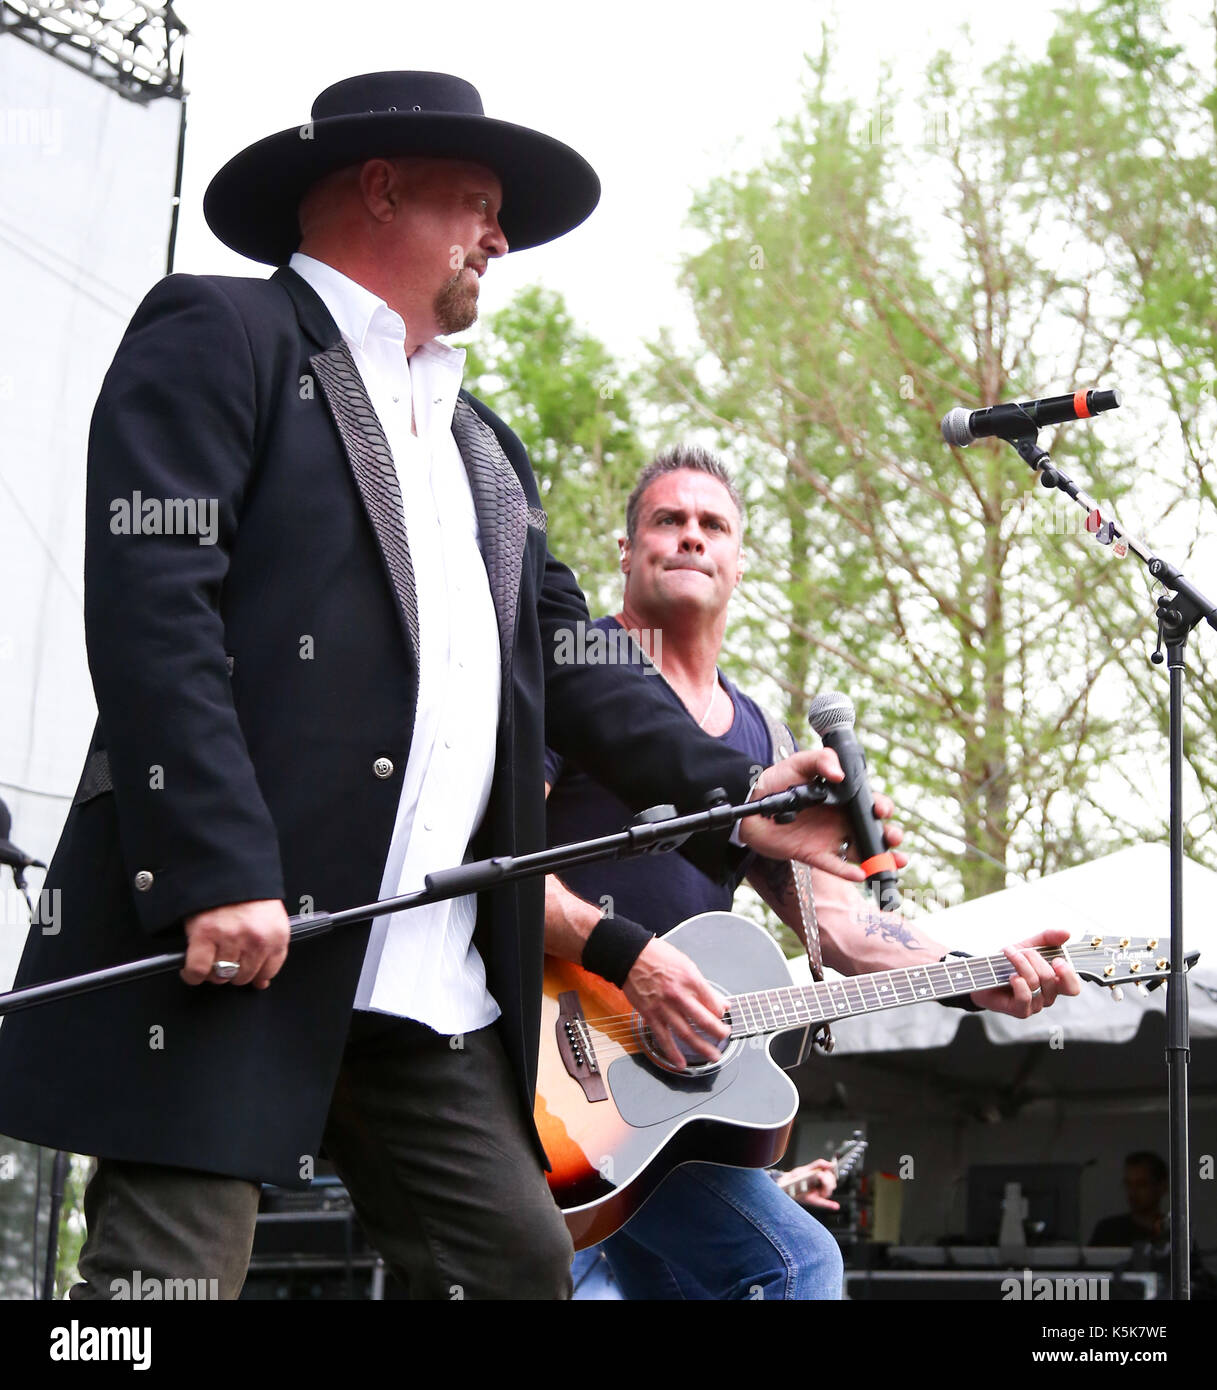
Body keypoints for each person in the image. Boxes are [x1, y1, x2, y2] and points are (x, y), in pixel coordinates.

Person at [0, 72, 908, 1302]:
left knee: (518, 1267)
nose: (500, 237)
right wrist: (218, 867)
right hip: (245, 941)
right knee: (159, 1287)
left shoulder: (486, 447)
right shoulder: (224, 332)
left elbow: (573, 658)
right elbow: (154, 605)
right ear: (380, 187)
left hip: (428, 975)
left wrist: (737, 793)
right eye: (480, 205)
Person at [543, 445, 1083, 1299]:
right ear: (625, 550)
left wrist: (969, 976)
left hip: (663, 1108)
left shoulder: (754, 731)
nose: (690, 537)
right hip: (546, 1067)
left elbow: (837, 924)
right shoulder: (574, 671)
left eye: (712, 524)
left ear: (738, 559)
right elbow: (484, 866)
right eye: (667, 520)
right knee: (795, 1264)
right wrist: (626, 962)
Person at [1090, 1152, 1169, 1247]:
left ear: (1162, 1187)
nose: (1132, 1192)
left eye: (1141, 1184)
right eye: (1128, 1184)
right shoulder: (1108, 1231)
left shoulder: (1173, 1233)